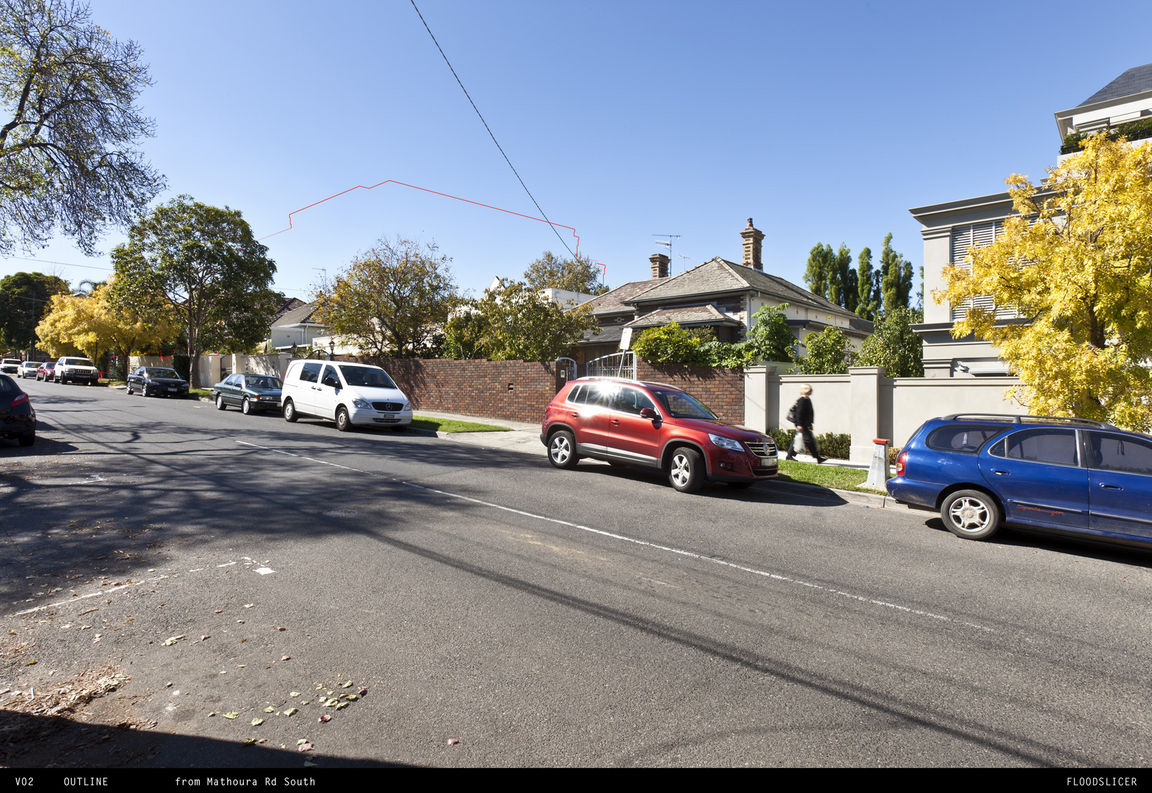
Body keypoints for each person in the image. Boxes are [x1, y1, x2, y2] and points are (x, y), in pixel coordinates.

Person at [785, 384, 825, 464]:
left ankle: (789, 456)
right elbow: (799, 413)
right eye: (810, 390)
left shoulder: (807, 399)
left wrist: (810, 424)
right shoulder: (802, 400)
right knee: (809, 441)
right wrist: (799, 425)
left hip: (804, 424)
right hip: (801, 424)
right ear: (806, 390)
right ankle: (817, 458)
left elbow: (809, 413)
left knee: (798, 439)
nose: (811, 391)